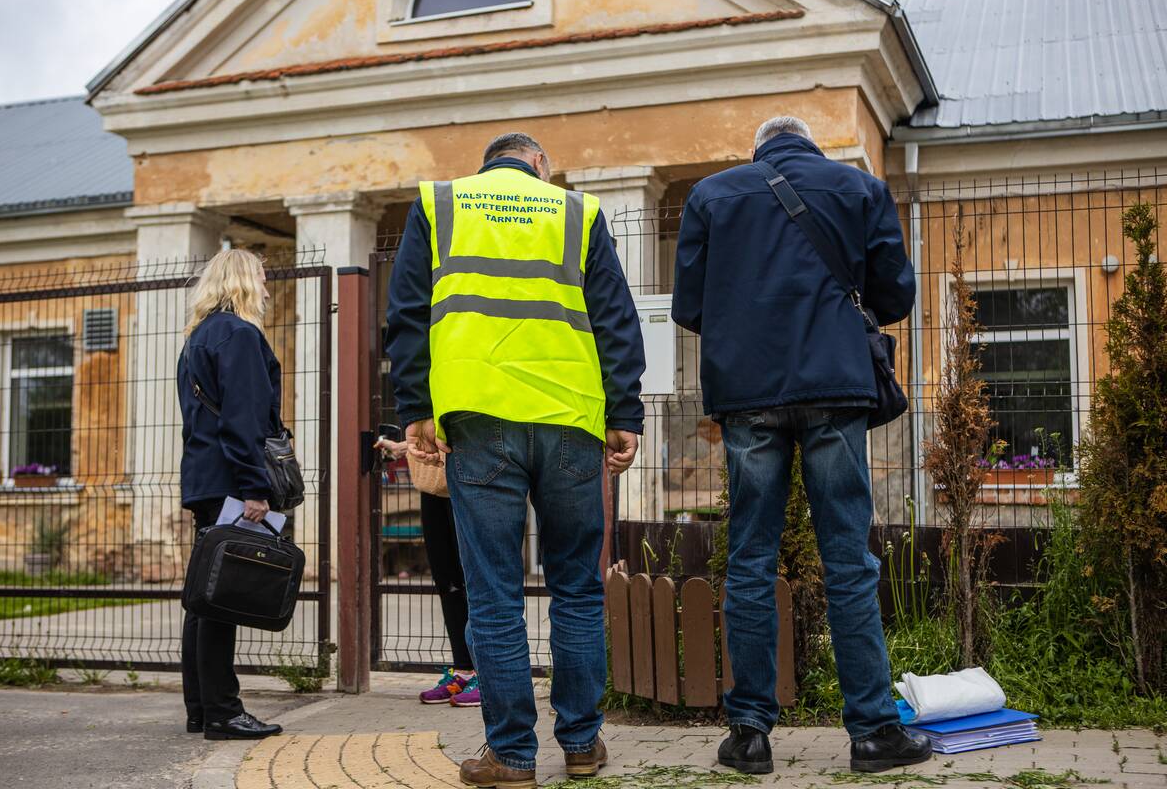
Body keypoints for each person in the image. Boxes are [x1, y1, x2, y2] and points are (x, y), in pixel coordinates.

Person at [386, 132, 645, 789]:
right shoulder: (576, 212)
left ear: (487, 168)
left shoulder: (441, 205)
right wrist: (625, 415)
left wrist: (415, 407)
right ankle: (583, 744)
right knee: (578, 591)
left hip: (479, 424)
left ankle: (511, 756)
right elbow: (615, 317)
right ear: (540, 166)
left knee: (494, 595)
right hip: (570, 423)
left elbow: (409, 312)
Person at [672, 116, 930, 774]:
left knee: (752, 559)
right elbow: (896, 292)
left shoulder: (712, 196)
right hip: (835, 389)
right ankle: (873, 733)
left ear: (758, 148)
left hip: (747, 397)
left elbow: (688, 308)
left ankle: (750, 735)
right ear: (810, 143)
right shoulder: (859, 188)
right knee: (849, 559)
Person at [177, 248, 285, 741]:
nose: (266, 286)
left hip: (204, 478)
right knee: (222, 599)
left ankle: (202, 708)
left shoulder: (198, 337)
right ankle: (223, 712)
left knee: (205, 597)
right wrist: (254, 489)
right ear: (244, 280)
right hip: (230, 482)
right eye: (262, 277)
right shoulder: (240, 335)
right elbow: (243, 420)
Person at [375, 437, 480, 707]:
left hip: (473, 477)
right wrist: (403, 445)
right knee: (447, 582)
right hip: (434, 481)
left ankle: (488, 675)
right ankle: (463, 671)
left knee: (478, 581)